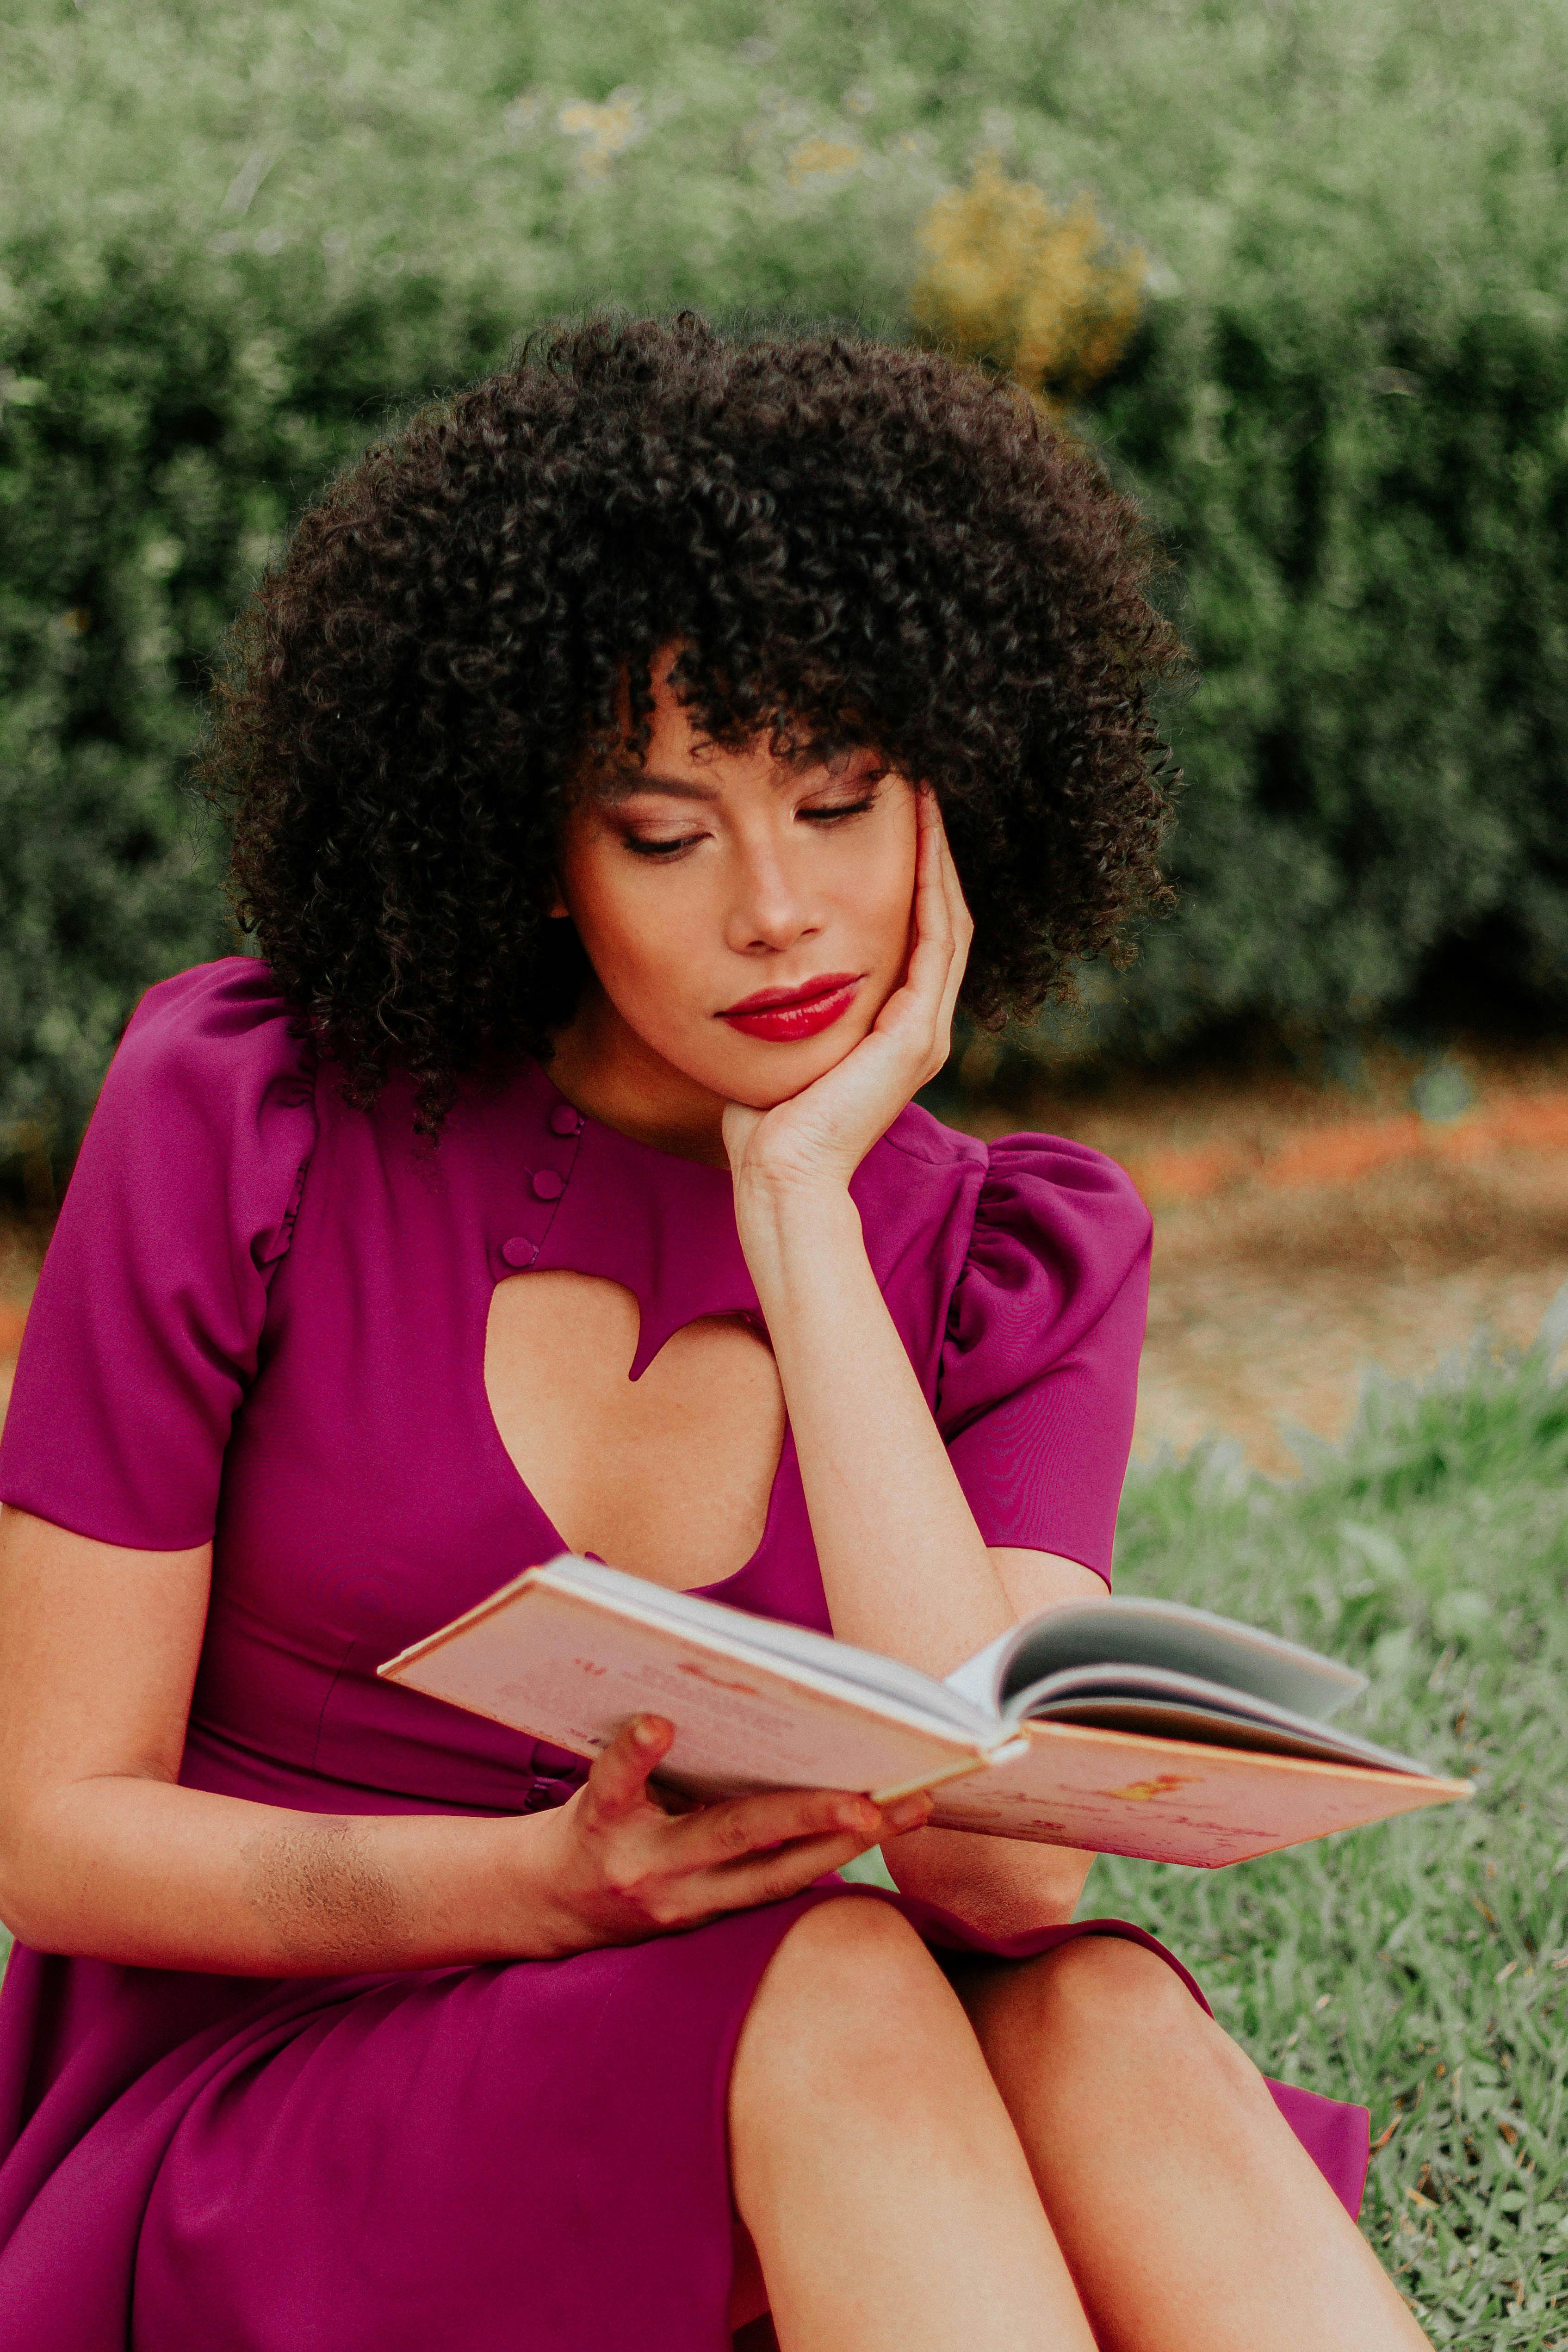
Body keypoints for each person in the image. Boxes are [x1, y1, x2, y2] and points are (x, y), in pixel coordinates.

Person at [0, 316, 1427, 2352]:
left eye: (839, 805)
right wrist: (539, 1894)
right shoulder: (251, 1115)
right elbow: (52, 1837)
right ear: (541, 852)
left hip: (764, 2098)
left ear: (956, 790)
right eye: (667, 831)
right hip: (259, 2106)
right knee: (829, 1978)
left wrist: (804, 1207)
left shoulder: (1004, 1249)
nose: (775, 908)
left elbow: (1004, 1886)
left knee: (1093, 2001)